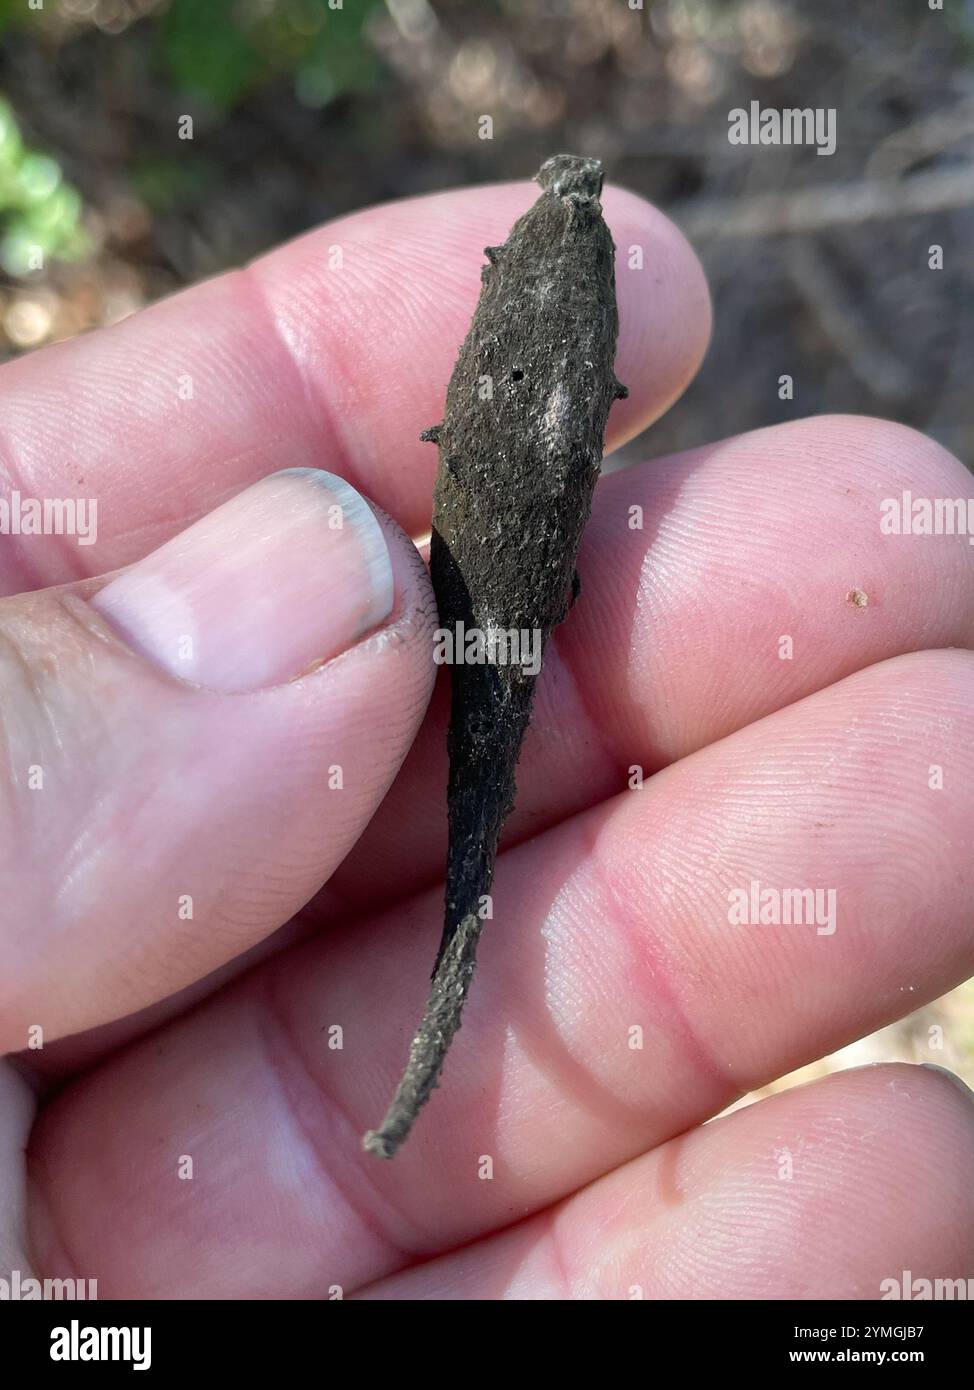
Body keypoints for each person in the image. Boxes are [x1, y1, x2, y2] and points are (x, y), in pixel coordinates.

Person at [1, 178, 972, 1299]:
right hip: (477, 610)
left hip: (491, 610)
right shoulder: (562, 259)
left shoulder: (565, 263)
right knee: (470, 847)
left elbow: (550, 431)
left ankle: (411, 1085)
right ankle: (409, 1085)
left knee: (475, 840)